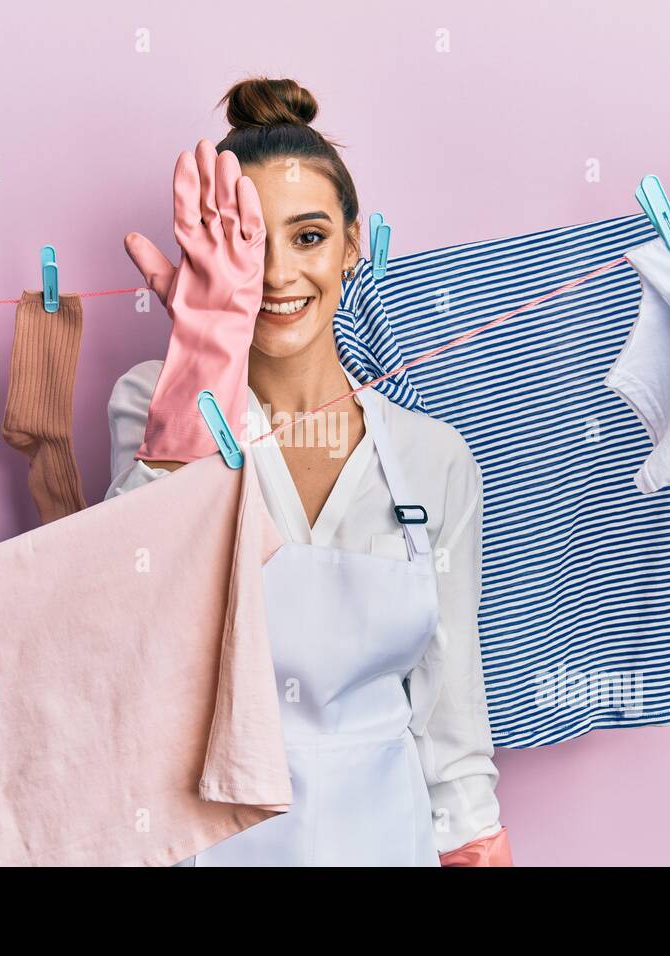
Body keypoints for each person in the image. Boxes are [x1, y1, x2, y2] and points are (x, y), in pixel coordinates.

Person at [107, 76, 510, 866]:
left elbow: (449, 699)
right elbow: (129, 604)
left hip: (385, 839)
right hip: (209, 838)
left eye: (310, 236)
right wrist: (200, 363)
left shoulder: (434, 458)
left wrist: (474, 838)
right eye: (250, 243)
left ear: (354, 244)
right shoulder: (149, 406)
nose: (282, 276)